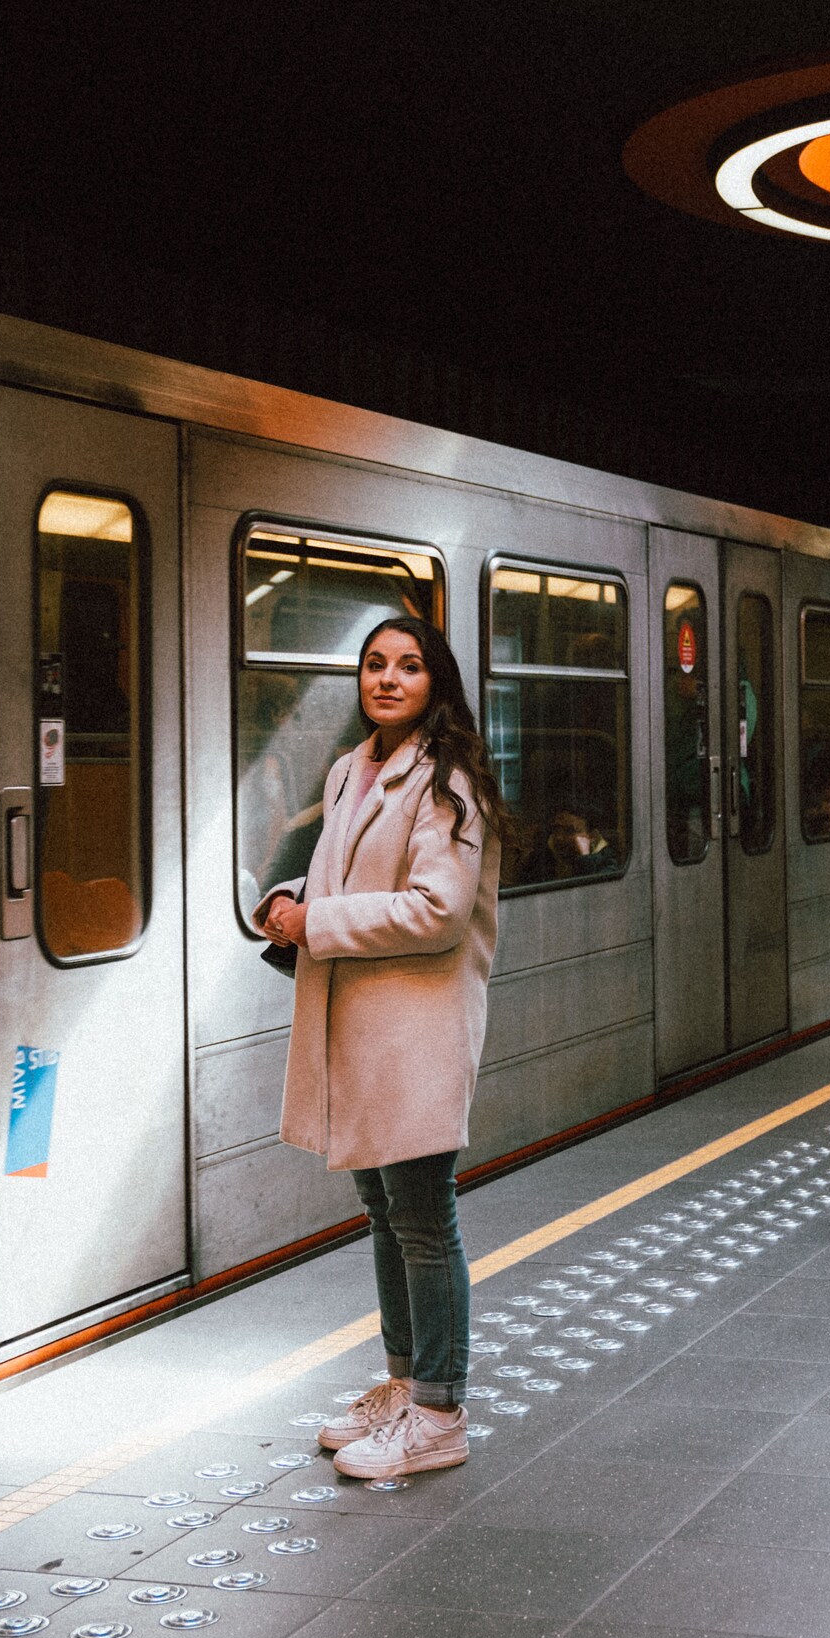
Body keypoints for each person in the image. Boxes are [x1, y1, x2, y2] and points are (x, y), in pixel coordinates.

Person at [257, 616, 509, 1481]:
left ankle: (440, 1412)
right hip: (362, 1028)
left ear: (437, 681)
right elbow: (347, 875)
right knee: (385, 1209)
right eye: (374, 664)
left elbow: (438, 910)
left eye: (408, 666)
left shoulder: (449, 780)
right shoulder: (351, 768)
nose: (388, 679)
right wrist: (291, 898)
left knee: (424, 1219)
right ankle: (405, 1384)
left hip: (416, 1030)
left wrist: (317, 921)